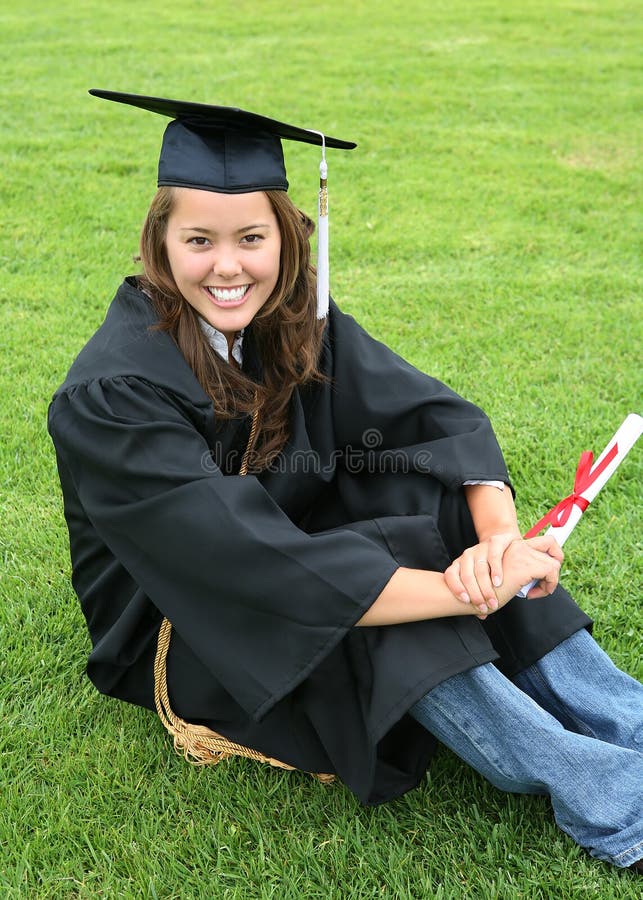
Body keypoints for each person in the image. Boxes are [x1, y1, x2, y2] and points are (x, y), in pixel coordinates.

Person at [48, 90, 643, 873]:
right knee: (379, 584)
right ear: (158, 243)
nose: (227, 267)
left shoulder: (290, 318)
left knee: (436, 504)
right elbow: (250, 565)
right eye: (198, 240)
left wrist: (499, 543)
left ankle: (629, 725)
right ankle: (617, 802)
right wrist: (465, 590)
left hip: (283, 539)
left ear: (287, 238)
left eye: (251, 238)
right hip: (186, 621)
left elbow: (431, 419)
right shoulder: (113, 395)